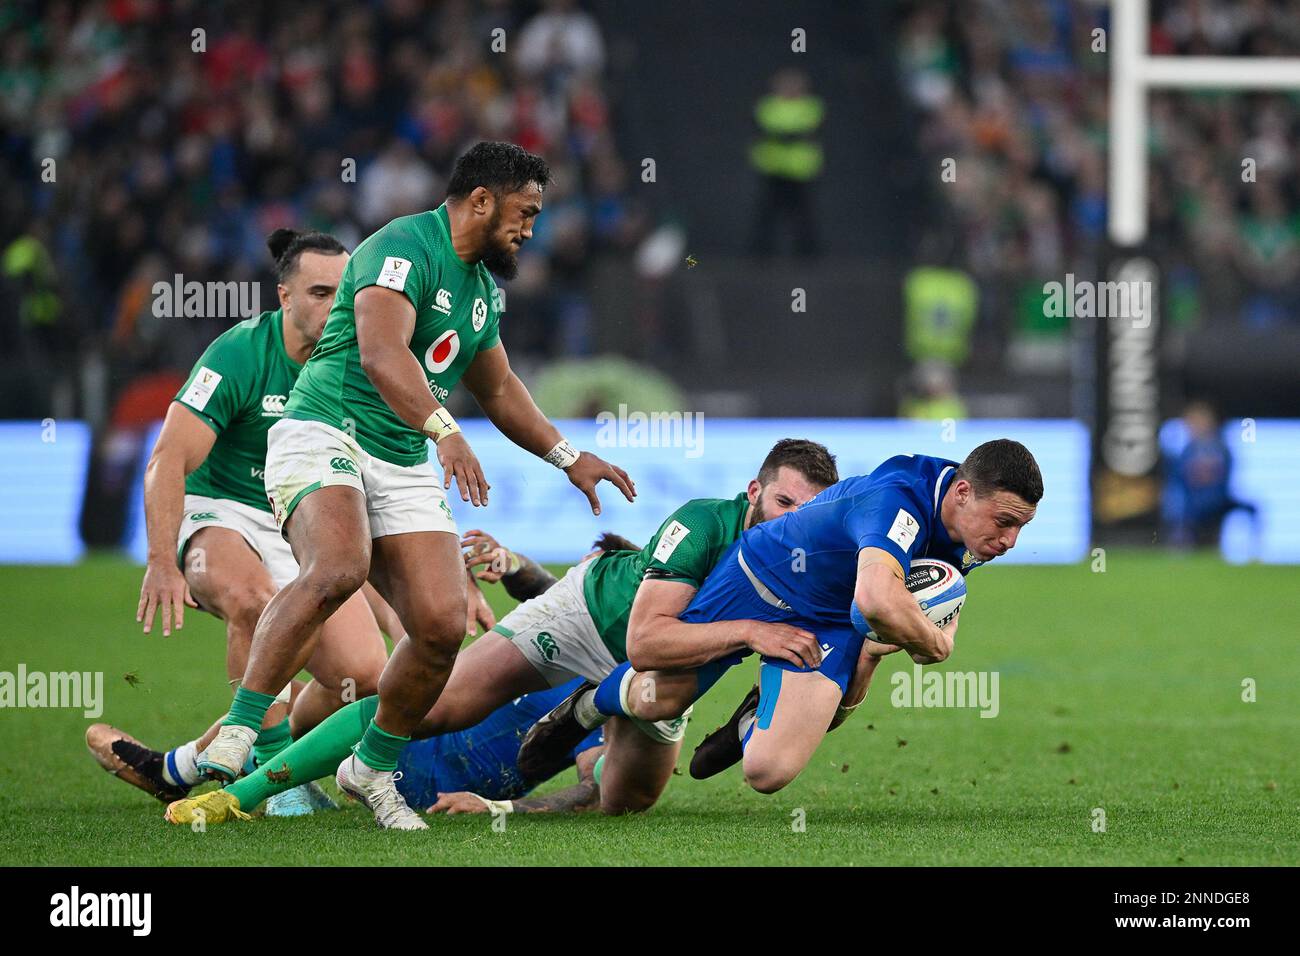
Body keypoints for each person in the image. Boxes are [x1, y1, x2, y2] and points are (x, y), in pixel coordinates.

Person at [198, 142, 635, 831]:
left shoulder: (484, 290)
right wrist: (444, 429)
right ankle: (241, 729)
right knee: (339, 566)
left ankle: (370, 770)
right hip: (324, 429)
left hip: (400, 454)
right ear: (482, 202)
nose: (530, 229)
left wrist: (566, 455)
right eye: (524, 213)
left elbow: (497, 386)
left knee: (437, 626)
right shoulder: (401, 245)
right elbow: (380, 351)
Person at [522, 439, 1042, 795]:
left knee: (768, 772)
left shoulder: (972, 533)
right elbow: (883, 603)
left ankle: (751, 717)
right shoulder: (898, 498)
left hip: (835, 615)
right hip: (762, 575)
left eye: (1020, 529)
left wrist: (883, 657)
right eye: (1004, 523)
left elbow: (921, 609)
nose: (1009, 542)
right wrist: (934, 643)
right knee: (663, 696)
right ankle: (587, 707)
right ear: (962, 493)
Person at [129, 229, 388, 815]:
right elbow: (169, 458)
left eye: (343, 292)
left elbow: (372, 492)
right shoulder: (239, 351)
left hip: (301, 520)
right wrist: (159, 560)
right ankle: (280, 778)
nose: (333, 305)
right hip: (220, 512)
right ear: (284, 298)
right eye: (319, 292)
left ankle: (191, 761)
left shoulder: (364, 365)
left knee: (364, 678)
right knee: (252, 598)